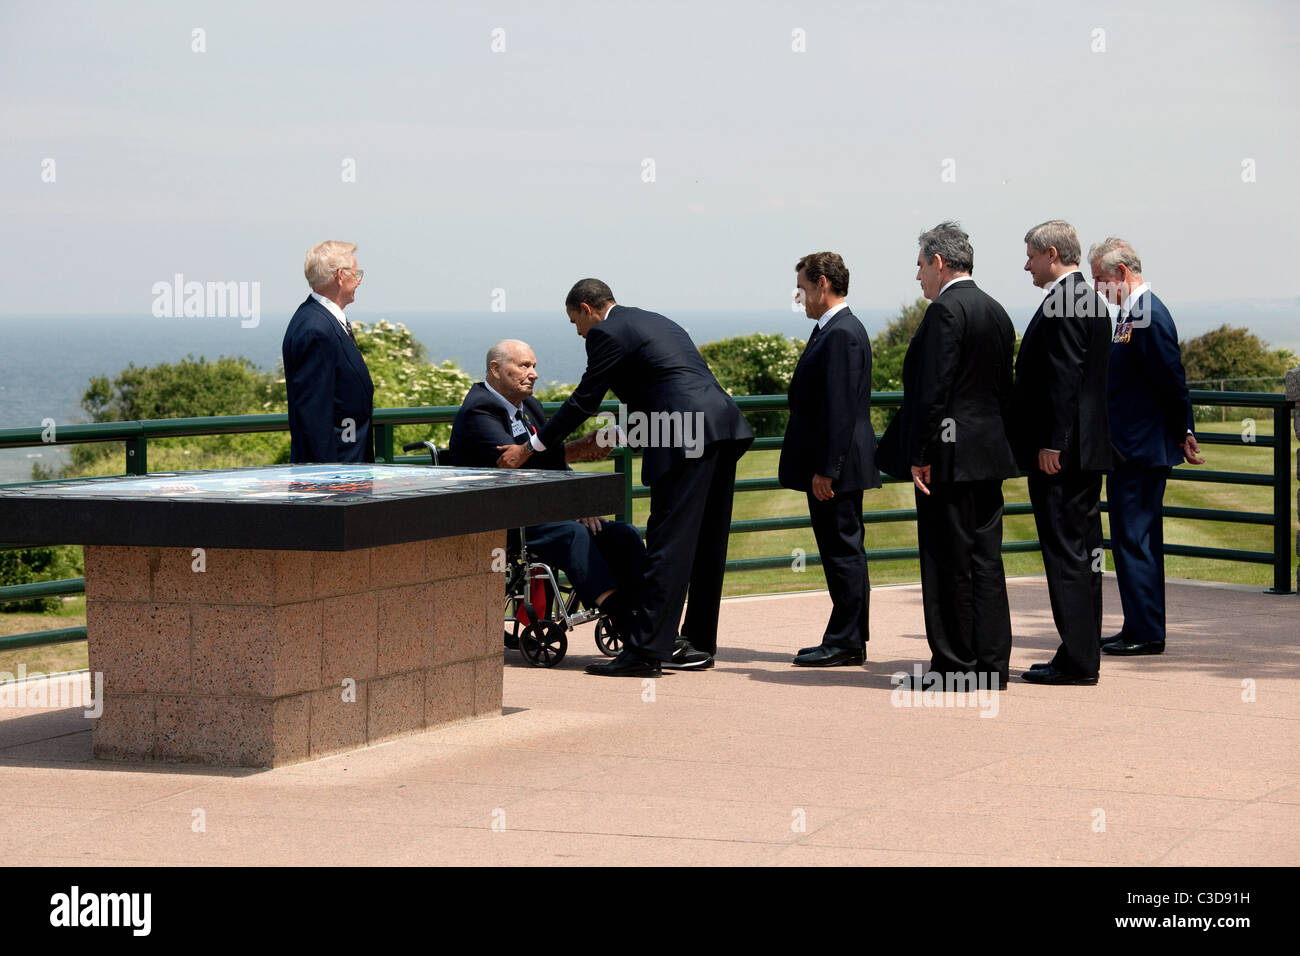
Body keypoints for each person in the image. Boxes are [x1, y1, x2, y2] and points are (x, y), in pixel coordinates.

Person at [496, 279, 753, 676]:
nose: (578, 331)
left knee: (668, 541)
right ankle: (698, 642)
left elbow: (585, 400)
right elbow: (663, 383)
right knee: (706, 542)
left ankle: (646, 652)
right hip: (722, 428)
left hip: (684, 437)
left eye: (574, 321)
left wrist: (530, 447)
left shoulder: (604, 332)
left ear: (586, 308)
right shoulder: (653, 321)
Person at [875, 222, 1017, 690]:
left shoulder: (944, 313)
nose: (918, 277)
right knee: (985, 560)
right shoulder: (996, 311)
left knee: (946, 560)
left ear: (939, 262)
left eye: (920, 266)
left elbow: (932, 391)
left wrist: (919, 452)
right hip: (987, 456)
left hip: (948, 459)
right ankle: (991, 664)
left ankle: (955, 666)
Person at [448, 339, 645, 642]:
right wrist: (578, 449)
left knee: (622, 534)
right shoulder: (480, 410)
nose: (533, 373)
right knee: (572, 534)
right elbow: (516, 463)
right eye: (524, 365)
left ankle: (643, 614)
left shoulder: (531, 407)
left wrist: (580, 505)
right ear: (495, 369)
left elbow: (549, 464)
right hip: (499, 516)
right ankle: (620, 616)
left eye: (534, 366)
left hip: (538, 511)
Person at [1089, 238, 1204, 656]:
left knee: (1134, 540)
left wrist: (1182, 431)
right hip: (1131, 448)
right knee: (1133, 541)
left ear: (1121, 274)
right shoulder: (1131, 314)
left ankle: (1145, 631)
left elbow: (1171, 380)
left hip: (1139, 450)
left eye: (1101, 281)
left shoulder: (1147, 315)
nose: (1097, 290)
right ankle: (1139, 623)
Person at [1014, 221, 1114, 686]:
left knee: (1067, 556)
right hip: (1084, 450)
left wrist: (1053, 442)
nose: (1027, 264)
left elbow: (1064, 378)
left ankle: (1077, 660)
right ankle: (1079, 651)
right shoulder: (1086, 298)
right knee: (1084, 554)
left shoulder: (1067, 300)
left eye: (1031, 255)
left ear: (1051, 253)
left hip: (1064, 455)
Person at [780, 252, 880, 667]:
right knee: (842, 551)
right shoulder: (835, 329)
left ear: (823, 284)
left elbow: (840, 408)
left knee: (843, 553)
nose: (800, 297)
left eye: (803, 288)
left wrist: (828, 469)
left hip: (836, 468)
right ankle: (847, 636)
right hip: (837, 463)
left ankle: (845, 640)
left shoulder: (840, 332)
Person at [283, 241, 375, 463]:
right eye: (356, 273)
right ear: (341, 276)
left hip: (347, 472)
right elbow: (313, 416)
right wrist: (328, 484)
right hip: (337, 477)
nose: (359, 281)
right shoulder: (316, 329)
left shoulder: (319, 320)